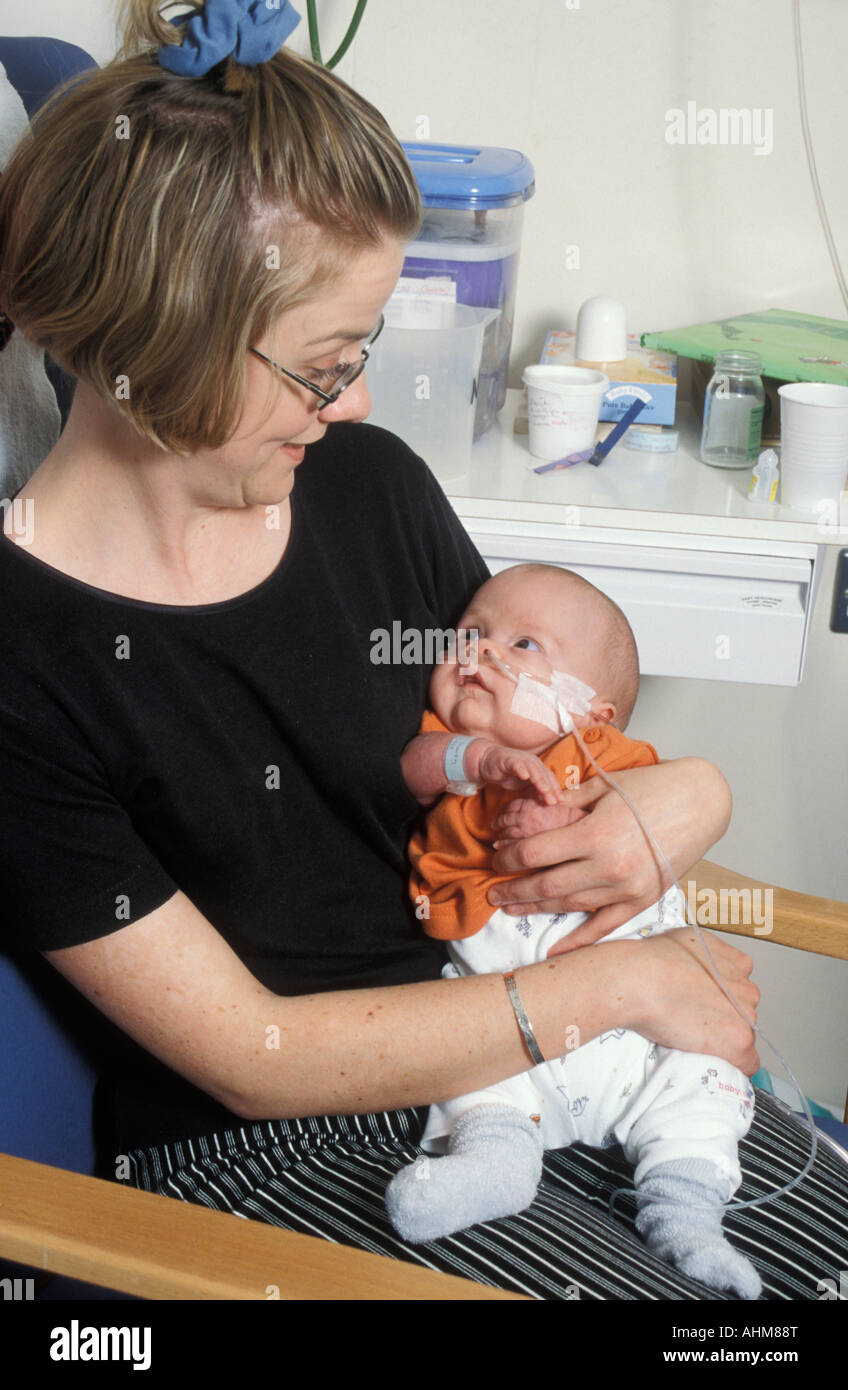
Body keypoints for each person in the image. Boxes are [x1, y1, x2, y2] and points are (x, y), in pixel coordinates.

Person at [0, 0, 843, 1301]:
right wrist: (617, 988)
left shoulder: (368, 489)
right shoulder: (25, 660)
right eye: (329, 361)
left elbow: (554, 765)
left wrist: (686, 795)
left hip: (563, 1049)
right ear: (162, 336)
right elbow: (256, 1051)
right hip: (279, 1149)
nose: (363, 403)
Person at [386, 564, 760, 1299]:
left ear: (594, 712)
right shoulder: (449, 750)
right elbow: (412, 768)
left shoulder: (607, 759)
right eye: (470, 635)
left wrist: (566, 817)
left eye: (523, 644)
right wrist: (484, 759)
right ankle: (497, 1161)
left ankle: (685, 1210)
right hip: (503, 1017)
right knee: (470, 1070)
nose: (481, 654)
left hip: (648, 1032)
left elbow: (642, 821)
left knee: (704, 1083)